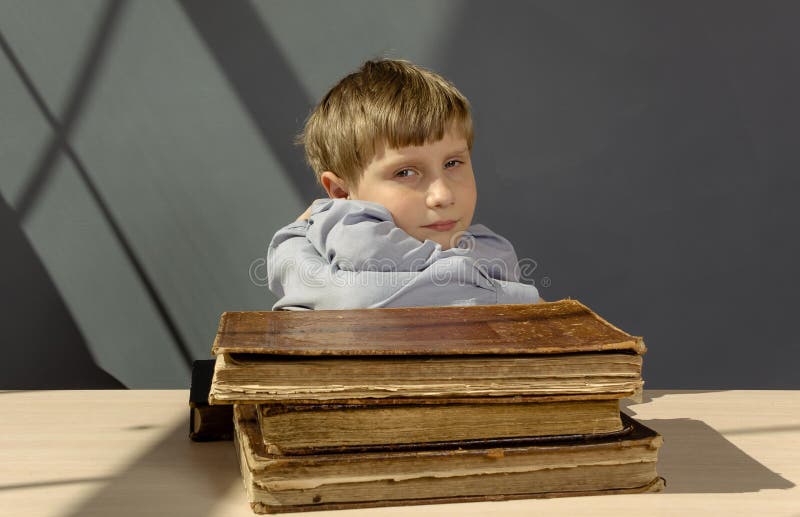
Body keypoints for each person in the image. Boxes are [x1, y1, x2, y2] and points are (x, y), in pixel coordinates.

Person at [267, 58, 541, 310]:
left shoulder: (479, 248)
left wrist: (292, 235)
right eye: (405, 172)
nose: (442, 195)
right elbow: (361, 299)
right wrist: (528, 304)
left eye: (452, 163)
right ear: (341, 192)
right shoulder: (362, 248)